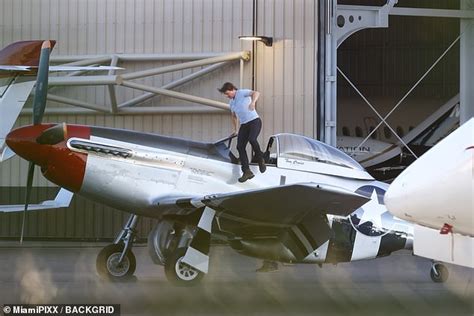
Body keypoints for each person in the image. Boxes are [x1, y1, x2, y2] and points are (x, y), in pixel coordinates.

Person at [218, 82, 266, 182]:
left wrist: (253, 102)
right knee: (240, 147)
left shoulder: (241, 92)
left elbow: (256, 93)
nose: (227, 96)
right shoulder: (231, 102)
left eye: (227, 93)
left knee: (252, 139)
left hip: (254, 121)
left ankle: (260, 158)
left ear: (232, 89)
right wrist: (235, 130)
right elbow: (234, 116)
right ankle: (247, 171)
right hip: (244, 125)